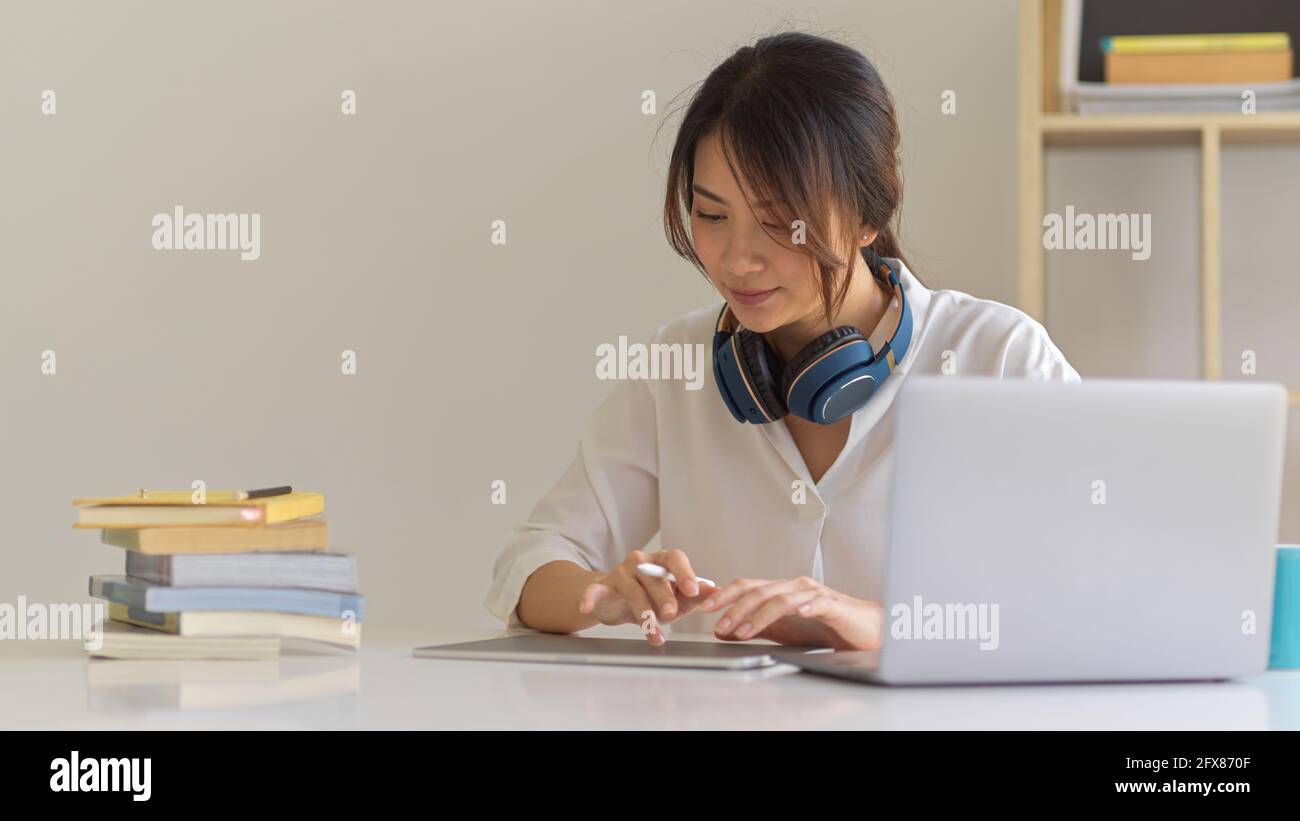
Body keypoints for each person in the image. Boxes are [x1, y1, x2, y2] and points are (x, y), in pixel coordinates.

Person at [485, 31, 1080, 650]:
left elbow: (1092, 590)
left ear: (866, 215)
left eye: (778, 222)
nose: (739, 260)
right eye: (712, 216)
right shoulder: (677, 368)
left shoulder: (1000, 357)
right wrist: (605, 594)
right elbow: (529, 563)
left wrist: (879, 624)